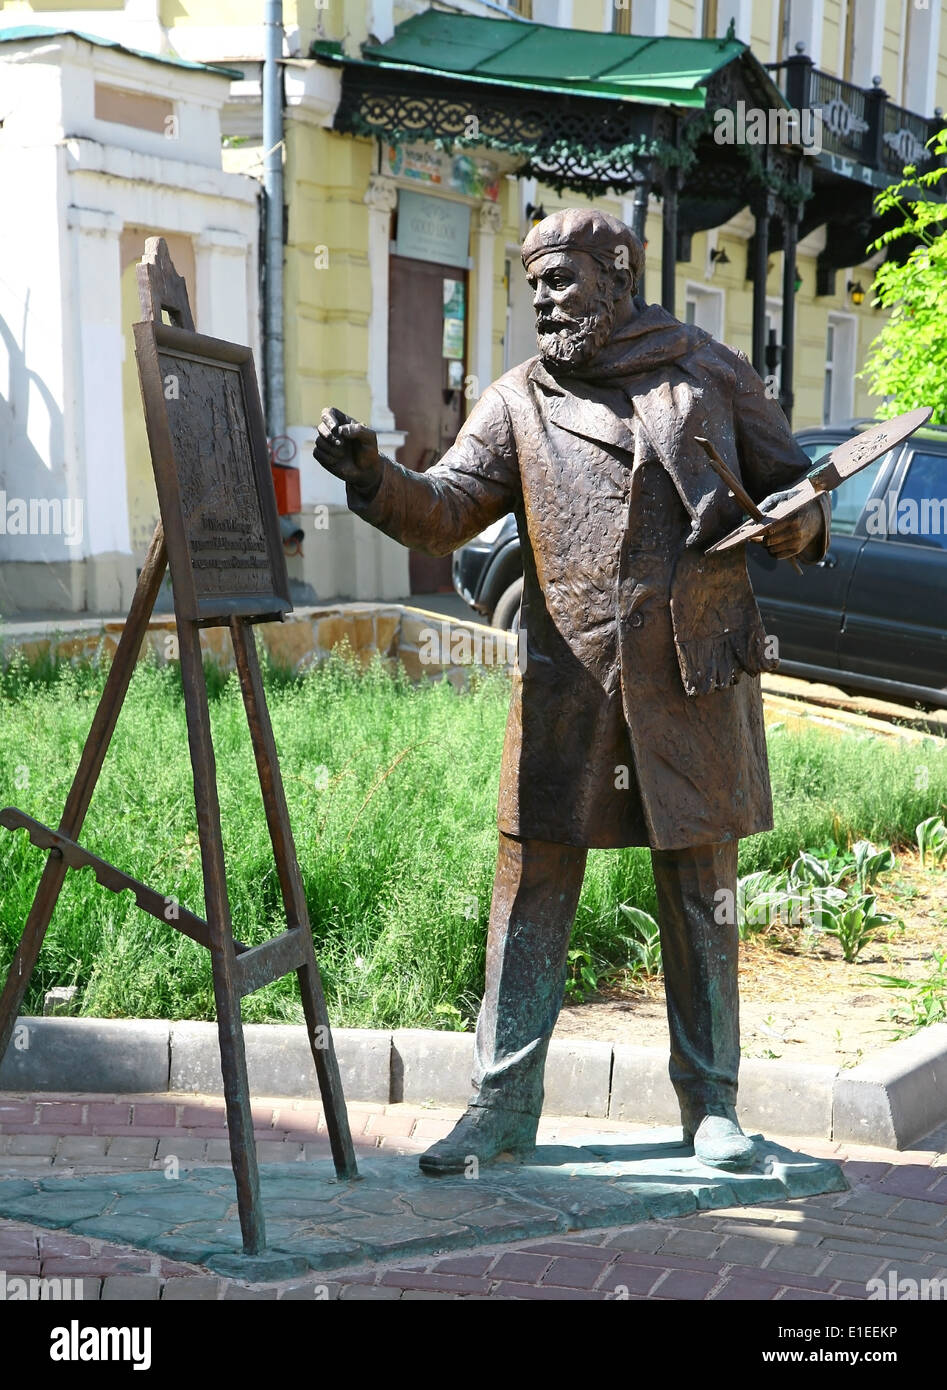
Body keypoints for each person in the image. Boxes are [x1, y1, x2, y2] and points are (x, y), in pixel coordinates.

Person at [314, 208, 828, 1173]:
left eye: (563, 280)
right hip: (569, 685)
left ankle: (710, 1107)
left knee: (699, 891)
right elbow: (449, 509)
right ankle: (502, 1107)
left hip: (689, 681)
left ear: (617, 273)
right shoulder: (518, 399)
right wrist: (378, 480)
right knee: (530, 891)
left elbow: (794, 485)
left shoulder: (708, 371)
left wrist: (800, 523)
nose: (545, 300)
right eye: (535, 283)